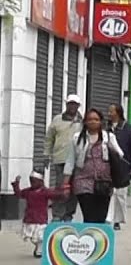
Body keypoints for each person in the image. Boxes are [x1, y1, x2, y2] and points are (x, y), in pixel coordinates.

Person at [64, 108, 124, 224]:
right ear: (85, 122)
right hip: (83, 182)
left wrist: (111, 150)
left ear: (101, 121)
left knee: (100, 217)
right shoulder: (77, 138)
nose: (93, 122)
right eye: (90, 119)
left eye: (96, 119)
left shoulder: (108, 137)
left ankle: (98, 241)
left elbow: (120, 154)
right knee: (89, 216)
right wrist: (65, 183)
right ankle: (88, 240)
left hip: (104, 183)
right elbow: (70, 161)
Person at [44, 93, 82, 221]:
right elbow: (49, 138)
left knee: (74, 189)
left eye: (75, 104)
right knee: (60, 187)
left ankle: (68, 215)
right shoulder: (57, 119)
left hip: (77, 161)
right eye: (70, 104)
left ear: (78, 106)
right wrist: (46, 155)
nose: (72, 106)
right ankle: (57, 215)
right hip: (60, 159)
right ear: (66, 104)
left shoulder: (82, 121)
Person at [105, 103, 131, 231]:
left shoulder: (128, 129)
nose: (109, 114)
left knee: (120, 194)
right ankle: (108, 217)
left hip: (122, 164)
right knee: (109, 192)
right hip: (107, 164)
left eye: (112, 111)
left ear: (118, 113)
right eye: (109, 111)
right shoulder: (106, 128)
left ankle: (118, 219)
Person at [12, 171, 61, 257]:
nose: (32, 183)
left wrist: (63, 192)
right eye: (31, 181)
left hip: (41, 219)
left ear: (41, 182)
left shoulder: (45, 192)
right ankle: (39, 246)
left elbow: (55, 195)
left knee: (40, 236)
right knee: (32, 238)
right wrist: (16, 184)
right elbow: (19, 194)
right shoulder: (28, 191)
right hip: (30, 218)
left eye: (34, 181)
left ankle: (40, 249)